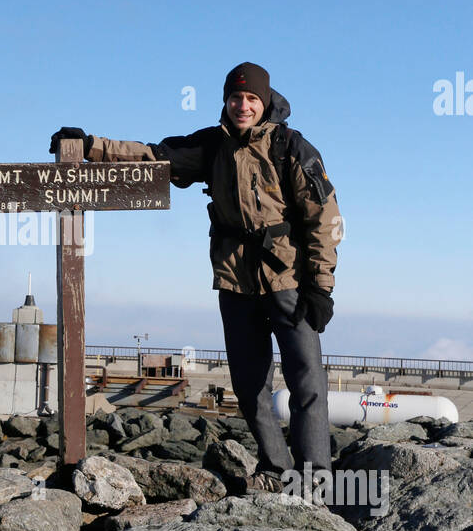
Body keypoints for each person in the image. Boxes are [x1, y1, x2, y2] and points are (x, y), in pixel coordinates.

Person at [49, 62, 342, 498]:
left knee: (308, 384)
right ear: (226, 100)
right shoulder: (211, 145)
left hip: (289, 282)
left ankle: (316, 480)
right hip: (234, 284)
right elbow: (153, 155)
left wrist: (321, 286)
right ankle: (277, 467)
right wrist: (91, 146)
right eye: (235, 97)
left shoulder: (290, 147)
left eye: (251, 98)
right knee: (249, 385)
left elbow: (325, 216)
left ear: (265, 102)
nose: (243, 105)